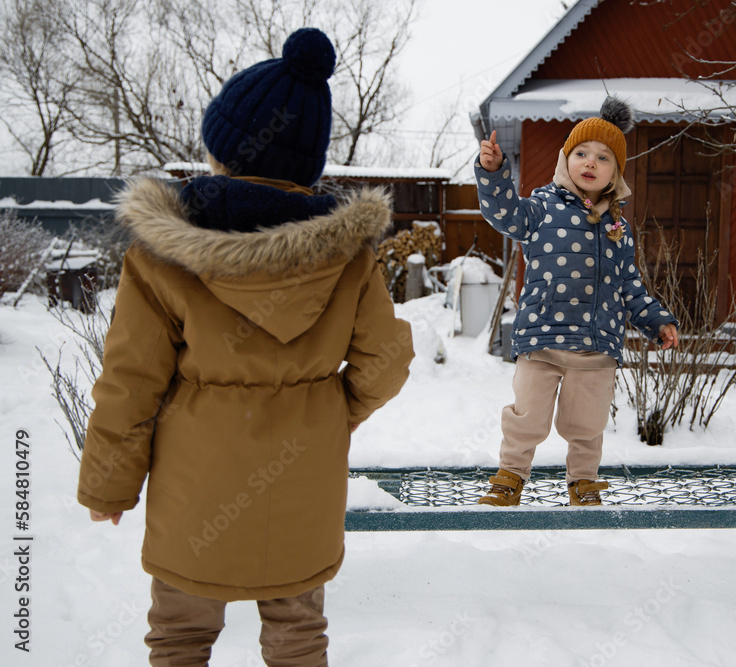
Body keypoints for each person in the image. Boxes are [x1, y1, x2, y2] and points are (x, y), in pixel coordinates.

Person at [77, 28, 413, 667]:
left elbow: (131, 380)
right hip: (301, 488)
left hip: (193, 497)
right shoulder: (349, 259)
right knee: (298, 638)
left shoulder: (162, 255)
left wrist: (107, 487)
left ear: (222, 147)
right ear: (307, 163)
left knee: (179, 638)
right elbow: (386, 360)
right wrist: (333, 409)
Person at [475, 96, 679, 507]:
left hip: (596, 344)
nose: (590, 162)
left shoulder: (618, 229)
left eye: (603, 158)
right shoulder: (541, 208)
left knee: (586, 423)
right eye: (581, 153)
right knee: (527, 416)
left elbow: (630, 287)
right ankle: (509, 477)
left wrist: (656, 320)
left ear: (615, 174)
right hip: (542, 339)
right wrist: (493, 172)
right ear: (565, 159)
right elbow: (504, 213)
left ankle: (583, 481)